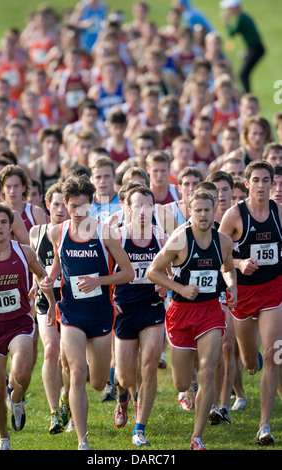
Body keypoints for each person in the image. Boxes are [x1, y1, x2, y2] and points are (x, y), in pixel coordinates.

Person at [41, 175, 134, 450]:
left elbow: (127, 273)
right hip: (71, 311)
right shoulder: (57, 232)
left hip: (101, 313)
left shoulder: (106, 233)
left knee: (97, 381)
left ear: (92, 204)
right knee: (77, 371)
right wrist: (50, 278)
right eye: (73, 207)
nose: (78, 213)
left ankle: (117, 391)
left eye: (83, 207)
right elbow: (59, 262)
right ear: (66, 206)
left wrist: (99, 281)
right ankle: (83, 441)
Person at [147, 189, 237, 450]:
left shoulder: (224, 242)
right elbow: (153, 271)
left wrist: (232, 286)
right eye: (197, 210)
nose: (203, 215)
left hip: (210, 310)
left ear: (214, 211)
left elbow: (228, 268)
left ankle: (197, 437)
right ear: (190, 212)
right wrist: (180, 288)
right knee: (182, 381)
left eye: (207, 210)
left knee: (209, 368)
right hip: (181, 312)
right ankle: (187, 389)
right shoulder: (179, 240)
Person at [0, 203, 55, 450]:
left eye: (4, 222)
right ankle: (4, 439)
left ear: (11, 226)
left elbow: (43, 276)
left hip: (19, 323)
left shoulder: (24, 252)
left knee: (21, 376)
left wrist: (46, 297)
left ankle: (18, 397)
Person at [219, 160, 282, 445]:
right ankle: (248, 366)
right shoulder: (234, 215)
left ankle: (264, 425)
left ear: (272, 183)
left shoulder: (279, 212)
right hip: (243, 295)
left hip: (272, 291)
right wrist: (240, 261)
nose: (260, 185)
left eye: (265, 180)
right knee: (250, 362)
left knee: (271, 354)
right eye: (255, 180)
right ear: (247, 184)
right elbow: (215, 255)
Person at [113, 185, 168, 446]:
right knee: (125, 376)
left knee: (149, 365)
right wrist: (109, 301)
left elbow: (176, 270)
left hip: (152, 307)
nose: (143, 212)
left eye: (148, 207)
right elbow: (103, 273)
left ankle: (139, 429)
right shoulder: (117, 237)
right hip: (124, 308)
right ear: (128, 208)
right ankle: (122, 395)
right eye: (138, 206)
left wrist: (165, 283)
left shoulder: (163, 238)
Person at [29, 182, 70, 435]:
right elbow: (32, 261)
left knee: (70, 361)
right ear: (48, 205)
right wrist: (35, 283)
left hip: (72, 302)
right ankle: (54, 412)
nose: (61, 209)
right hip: (45, 302)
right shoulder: (36, 232)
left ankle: (68, 399)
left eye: (65, 204)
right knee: (51, 351)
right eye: (56, 204)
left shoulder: (79, 232)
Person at [220, 0, 265, 92]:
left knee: (243, 74)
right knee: (244, 73)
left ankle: (247, 95)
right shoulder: (244, 17)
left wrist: (226, 21)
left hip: (256, 49)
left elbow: (231, 33)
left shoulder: (241, 19)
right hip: (254, 48)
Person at [0, 164, 47, 232]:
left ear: (24, 187)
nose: (12, 191)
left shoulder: (36, 212)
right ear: (2, 189)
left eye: (16, 186)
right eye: (8, 186)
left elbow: (44, 242)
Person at [89, 156, 121, 222]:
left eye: (107, 176)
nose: (102, 181)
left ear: (115, 177)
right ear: (92, 179)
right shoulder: (86, 203)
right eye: (98, 177)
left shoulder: (124, 203)